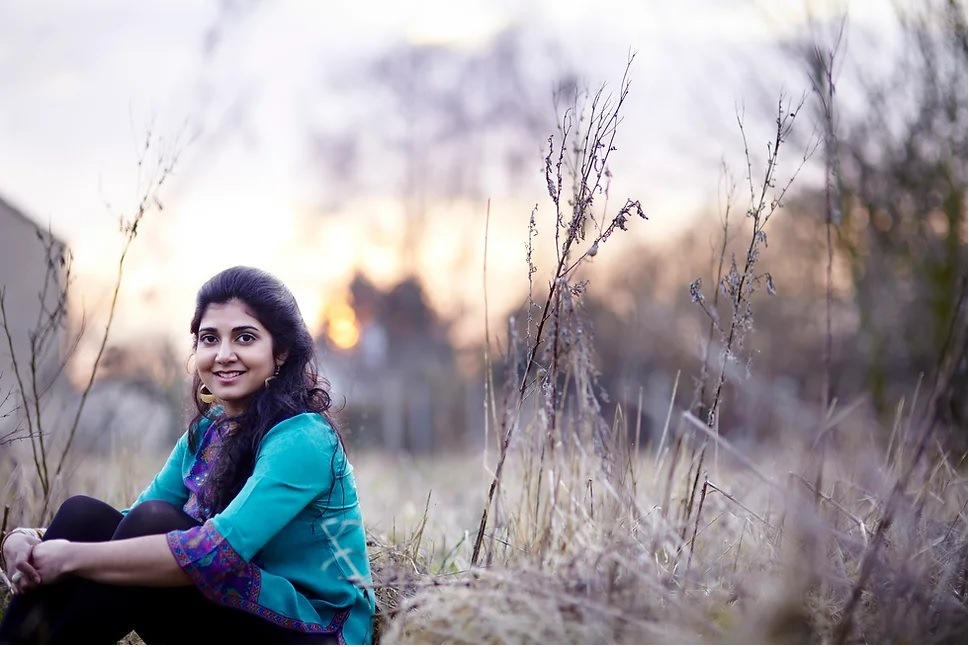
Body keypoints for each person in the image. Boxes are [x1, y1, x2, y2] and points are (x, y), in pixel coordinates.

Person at [0, 266, 374, 644]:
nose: (223, 355)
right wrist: (29, 540)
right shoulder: (210, 430)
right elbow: (123, 525)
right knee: (83, 515)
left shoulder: (303, 438)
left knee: (154, 523)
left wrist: (69, 558)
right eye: (210, 339)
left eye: (245, 338)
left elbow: (219, 552)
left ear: (281, 352)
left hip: (313, 629)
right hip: (233, 602)